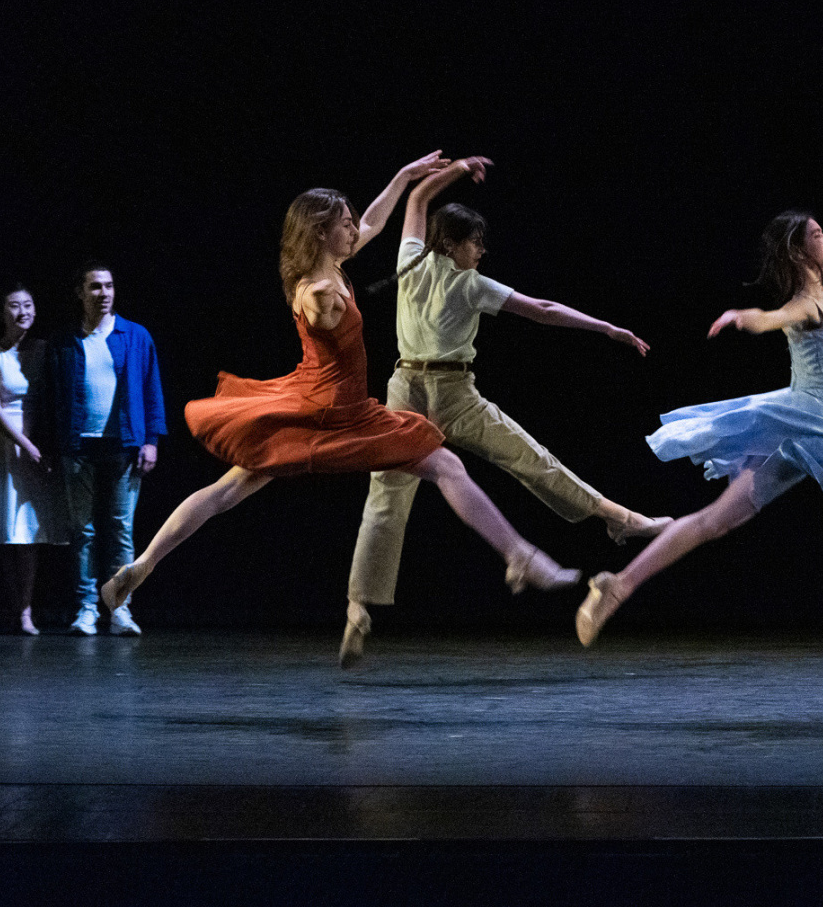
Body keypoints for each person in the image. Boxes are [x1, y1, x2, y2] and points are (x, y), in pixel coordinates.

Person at [97, 152, 580, 662]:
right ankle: (518, 555)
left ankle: (144, 564)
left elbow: (375, 221)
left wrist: (405, 176)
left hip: (319, 399)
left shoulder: (332, 268)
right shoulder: (318, 288)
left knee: (230, 489)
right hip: (336, 412)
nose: (355, 229)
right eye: (344, 224)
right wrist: (318, 307)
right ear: (320, 232)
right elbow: (316, 307)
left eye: (351, 222)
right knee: (443, 464)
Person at [574, 194, 823, 681]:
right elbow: (772, 318)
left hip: (804, 429)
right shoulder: (806, 305)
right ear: (796, 252)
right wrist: (744, 318)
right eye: (816, 235)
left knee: (714, 521)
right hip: (814, 427)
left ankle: (619, 584)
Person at [343, 158, 671, 666]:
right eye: (475, 242)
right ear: (453, 244)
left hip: (405, 388)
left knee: (386, 495)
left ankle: (358, 608)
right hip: (452, 393)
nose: (481, 251)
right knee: (529, 457)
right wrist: (608, 328)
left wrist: (455, 170)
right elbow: (543, 310)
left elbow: (417, 200)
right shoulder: (471, 284)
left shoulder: (410, 261)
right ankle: (619, 518)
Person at [46, 261, 166, 635]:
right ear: (80, 293)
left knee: (121, 530)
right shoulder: (65, 341)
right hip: (78, 445)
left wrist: (151, 441)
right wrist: (51, 446)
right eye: (95, 287)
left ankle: (119, 608)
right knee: (82, 530)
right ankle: (86, 608)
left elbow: (152, 390)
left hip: (124, 445)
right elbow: (52, 398)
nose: (103, 293)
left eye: (109, 286)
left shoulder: (136, 335)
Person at [0, 284, 66, 633]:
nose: (23, 311)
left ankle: (26, 609)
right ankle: (16, 608)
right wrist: (26, 444)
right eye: (14, 305)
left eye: (28, 304)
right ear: (2, 312)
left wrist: (42, 444)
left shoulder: (44, 349)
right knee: (7, 531)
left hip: (37, 441)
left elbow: (54, 398)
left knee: (29, 531)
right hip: (2, 444)